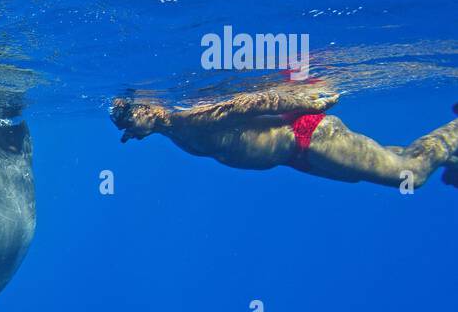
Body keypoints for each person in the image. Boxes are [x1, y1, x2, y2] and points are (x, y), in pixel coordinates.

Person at [111, 84, 458, 189]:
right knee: (368, 169)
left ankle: (451, 137)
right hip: (297, 157)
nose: (126, 131)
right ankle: (452, 154)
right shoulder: (172, 128)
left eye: (128, 122)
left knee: (408, 174)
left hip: (308, 137)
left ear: (146, 111)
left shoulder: (189, 119)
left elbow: (250, 103)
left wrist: (308, 101)